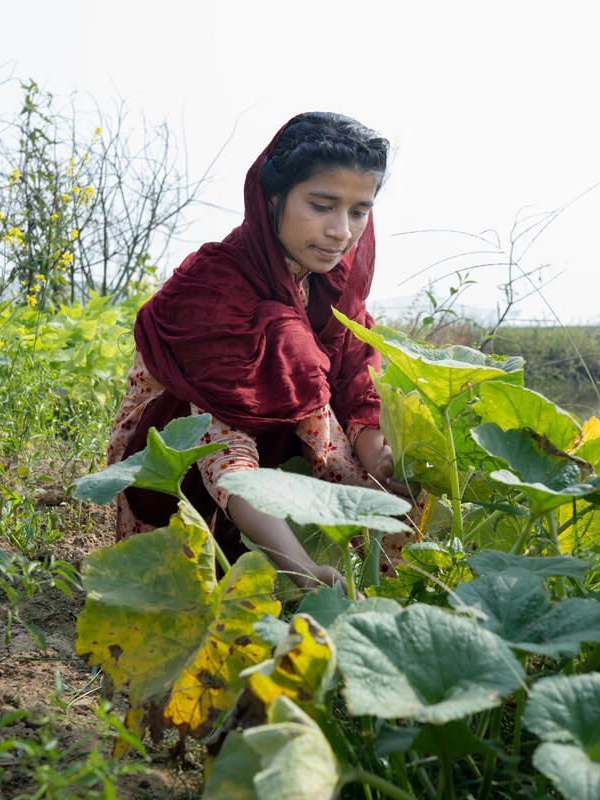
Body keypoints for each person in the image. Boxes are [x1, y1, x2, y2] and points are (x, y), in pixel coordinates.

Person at [105, 112, 414, 591]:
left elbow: (357, 375)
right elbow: (219, 444)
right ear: (272, 198)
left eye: (358, 211)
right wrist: (299, 566)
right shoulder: (213, 288)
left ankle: (401, 583)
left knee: (401, 452)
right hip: (182, 485)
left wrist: (379, 457)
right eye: (321, 205)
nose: (341, 231)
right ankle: (287, 569)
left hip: (276, 475)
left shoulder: (333, 283)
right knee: (293, 358)